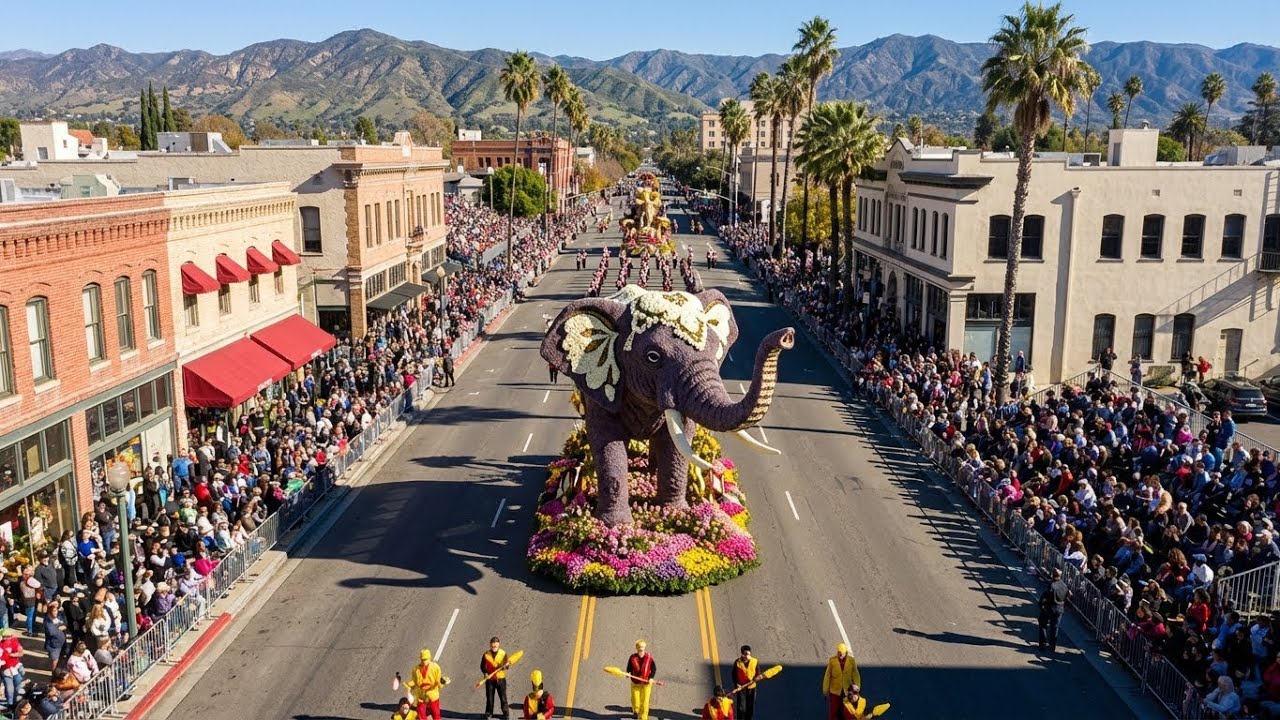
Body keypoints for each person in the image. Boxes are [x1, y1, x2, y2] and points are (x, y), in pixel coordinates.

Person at [403, 648, 448, 720]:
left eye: (425, 659)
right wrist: (407, 685)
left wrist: (442, 682)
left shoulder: (435, 667)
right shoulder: (415, 669)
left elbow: (438, 681)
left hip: (432, 694)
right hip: (421, 695)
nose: (424, 662)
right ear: (420, 659)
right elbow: (414, 681)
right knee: (421, 712)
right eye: (422, 660)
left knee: (435, 712)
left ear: (429, 658)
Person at [822, 643, 860, 720]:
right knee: (833, 711)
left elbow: (855, 674)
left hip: (846, 691)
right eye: (839, 653)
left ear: (846, 653)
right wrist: (825, 689)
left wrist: (857, 686)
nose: (841, 655)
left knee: (846, 711)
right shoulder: (832, 661)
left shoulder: (851, 661)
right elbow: (827, 676)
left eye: (843, 653)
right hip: (834, 691)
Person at [1037, 567, 1068, 653]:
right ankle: (1052, 646)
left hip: (1050, 608)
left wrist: (1041, 606)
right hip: (1060, 609)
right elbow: (1067, 596)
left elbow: (1046, 596)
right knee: (1055, 627)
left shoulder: (1052, 585)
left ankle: (1043, 644)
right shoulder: (1064, 585)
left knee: (1043, 624)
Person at [481, 636, 510, 719]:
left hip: (500, 679)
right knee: (489, 698)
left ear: (498, 645)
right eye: (492, 646)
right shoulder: (486, 655)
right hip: (490, 680)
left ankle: (506, 714)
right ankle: (489, 713)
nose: (494, 648)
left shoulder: (503, 653)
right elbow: (482, 666)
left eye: (495, 646)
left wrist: (506, 666)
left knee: (503, 698)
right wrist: (485, 673)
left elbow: (506, 665)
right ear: (490, 645)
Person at [627, 639, 657, 720]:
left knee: (645, 702)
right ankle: (636, 711)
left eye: (642, 650)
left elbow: (653, 668)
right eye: (639, 650)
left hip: (646, 683)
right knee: (635, 699)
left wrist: (651, 678)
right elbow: (629, 667)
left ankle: (643, 717)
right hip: (635, 683)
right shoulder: (632, 657)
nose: (641, 652)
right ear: (637, 649)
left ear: (644, 649)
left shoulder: (649, 658)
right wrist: (628, 673)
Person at [732, 645, 761, 720]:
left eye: (749, 654)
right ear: (742, 654)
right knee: (741, 707)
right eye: (746, 654)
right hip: (741, 688)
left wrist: (755, 678)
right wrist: (736, 684)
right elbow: (734, 675)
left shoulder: (755, 661)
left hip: (752, 687)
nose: (748, 656)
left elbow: (758, 673)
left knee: (750, 706)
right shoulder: (737, 662)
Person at [1, 628, 25, 711]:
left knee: (17, 685)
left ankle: (15, 702)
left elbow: (21, 652)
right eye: (3, 636)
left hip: (15, 667)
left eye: (7, 636)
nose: (5, 638)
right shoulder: (1, 645)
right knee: (9, 689)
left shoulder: (14, 640)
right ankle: (10, 705)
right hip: (6, 669)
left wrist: (12, 655)